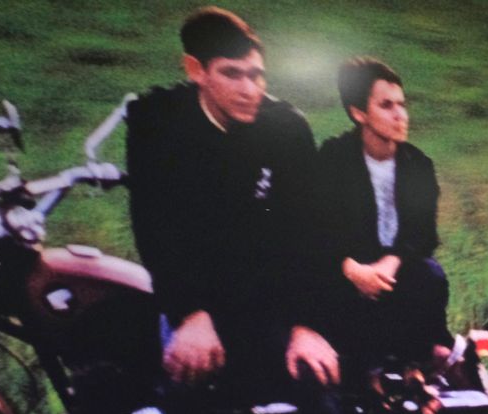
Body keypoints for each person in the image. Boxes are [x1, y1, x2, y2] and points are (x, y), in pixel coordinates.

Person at [127, 6, 339, 391]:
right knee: (184, 393)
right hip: (197, 299)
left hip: (270, 300)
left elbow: (312, 237)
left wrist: (306, 325)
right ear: (196, 70)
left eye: (257, 75)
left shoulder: (287, 130)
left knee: (314, 396)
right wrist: (190, 315)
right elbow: (154, 227)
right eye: (232, 74)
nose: (249, 89)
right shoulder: (155, 121)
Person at [314, 56, 454, 414]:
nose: (400, 115)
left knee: (430, 275)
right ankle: (369, 383)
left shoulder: (417, 165)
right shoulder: (333, 160)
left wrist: (391, 261)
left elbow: (422, 233)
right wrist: (351, 269)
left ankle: (415, 373)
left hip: (395, 269)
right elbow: (318, 230)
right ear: (359, 112)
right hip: (349, 271)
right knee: (343, 295)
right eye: (386, 106)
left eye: (402, 105)